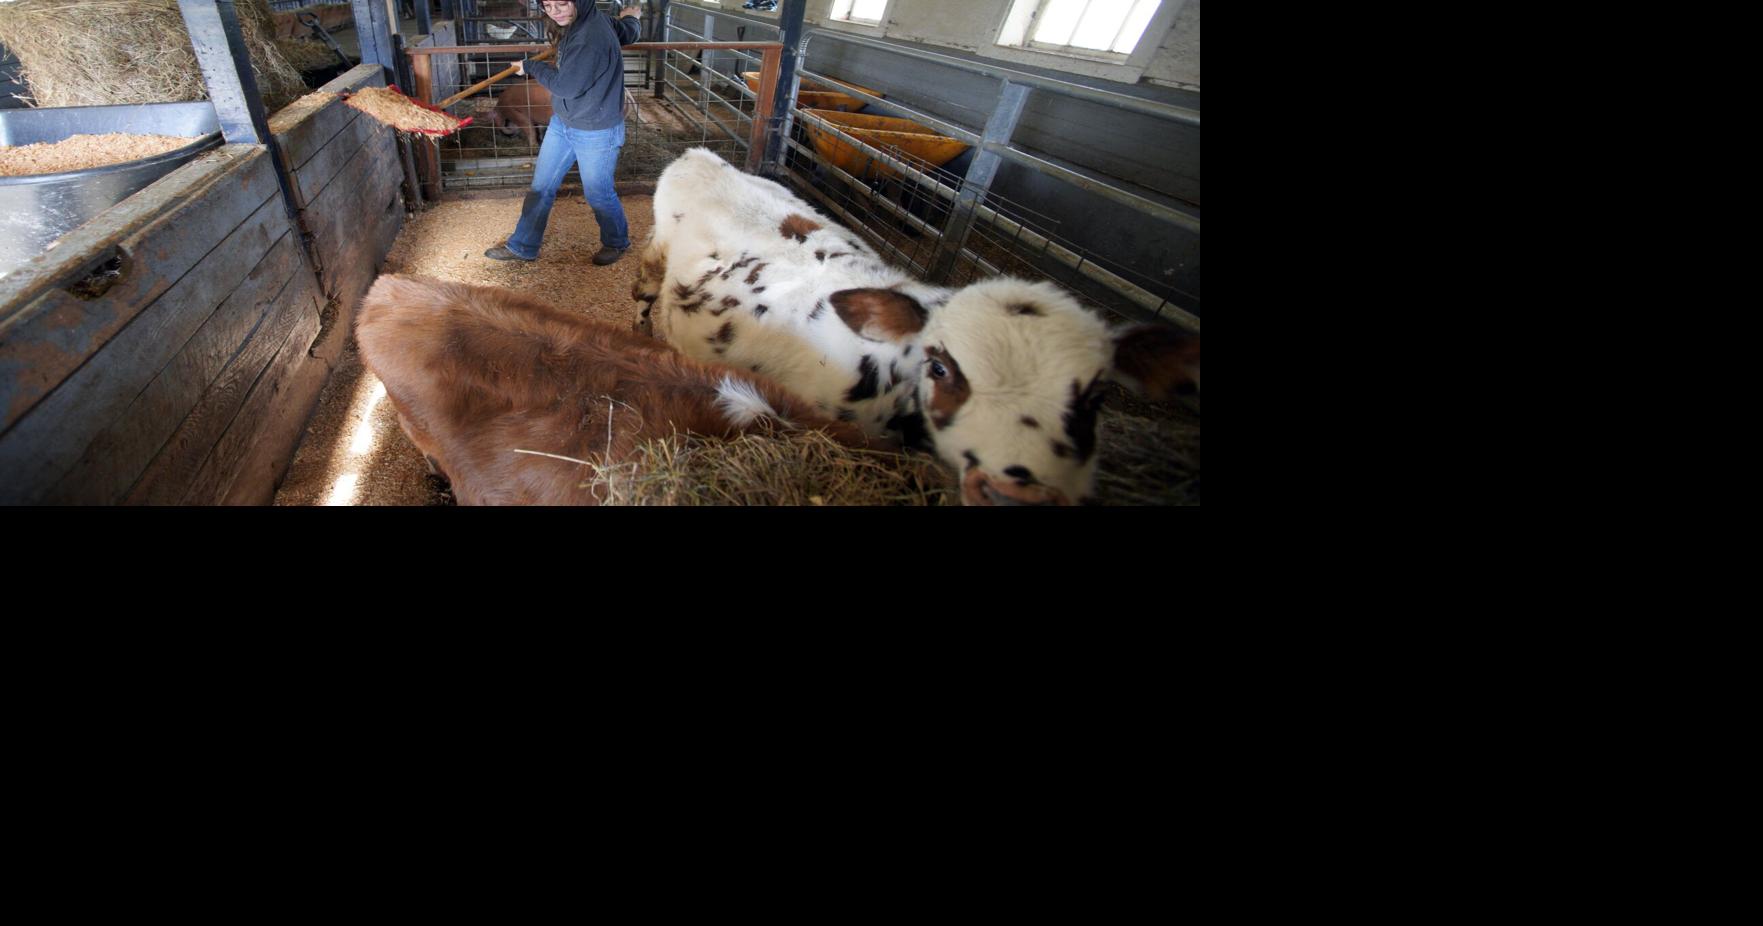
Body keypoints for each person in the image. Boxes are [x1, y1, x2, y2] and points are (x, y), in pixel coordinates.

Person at [485, 1, 642, 265]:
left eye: (562, 3)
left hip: (596, 129)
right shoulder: (591, 20)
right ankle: (523, 246)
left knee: (598, 193)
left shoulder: (589, 37)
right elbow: (627, 32)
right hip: (563, 123)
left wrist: (531, 67)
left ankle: (616, 242)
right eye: (548, 4)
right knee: (541, 187)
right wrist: (633, 19)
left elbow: (566, 86)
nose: (554, 11)